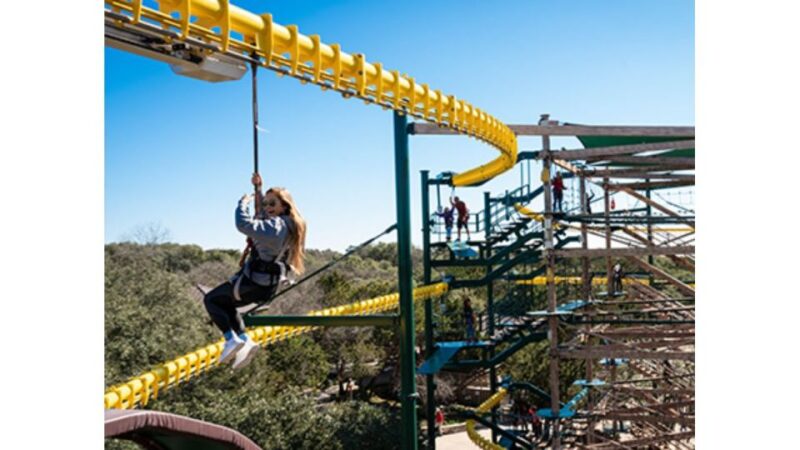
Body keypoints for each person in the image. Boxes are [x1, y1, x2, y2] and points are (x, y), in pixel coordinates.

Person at [203, 173, 307, 370]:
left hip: (254, 282)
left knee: (211, 300)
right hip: (268, 285)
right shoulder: (291, 225)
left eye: (272, 204)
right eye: (266, 204)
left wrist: (242, 204)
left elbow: (244, 224)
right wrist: (258, 190)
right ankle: (244, 339)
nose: (267, 208)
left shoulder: (275, 226)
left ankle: (230, 340)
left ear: (284, 206)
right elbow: (263, 214)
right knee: (227, 305)